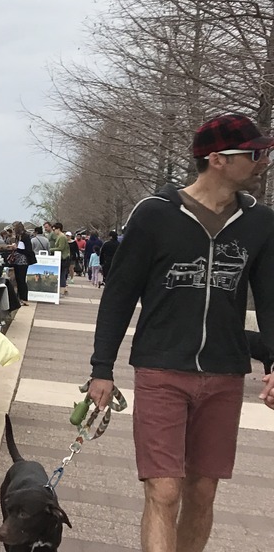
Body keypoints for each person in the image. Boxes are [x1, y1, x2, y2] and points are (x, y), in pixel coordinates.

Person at [87, 112, 274, 552]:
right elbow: (119, 295)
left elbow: (270, 300)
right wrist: (101, 367)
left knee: (203, 492)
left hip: (225, 374)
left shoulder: (262, 224)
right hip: (161, 369)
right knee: (164, 490)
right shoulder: (154, 215)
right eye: (254, 152)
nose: (263, 160)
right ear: (218, 160)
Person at [8, 221, 37, 306]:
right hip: (17, 261)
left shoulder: (25, 237)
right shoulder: (19, 237)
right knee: (18, 279)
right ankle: (20, 297)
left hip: (23, 261)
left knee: (21, 279)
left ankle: (24, 298)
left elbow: (28, 250)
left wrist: (16, 248)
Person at [50, 222, 71, 295]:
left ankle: (62, 290)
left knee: (62, 274)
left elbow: (61, 248)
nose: (54, 231)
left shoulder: (61, 237)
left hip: (63, 258)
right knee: (62, 274)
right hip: (62, 257)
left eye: (54, 229)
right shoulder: (60, 236)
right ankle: (63, 289)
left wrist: (51, 249)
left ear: (58, 229)